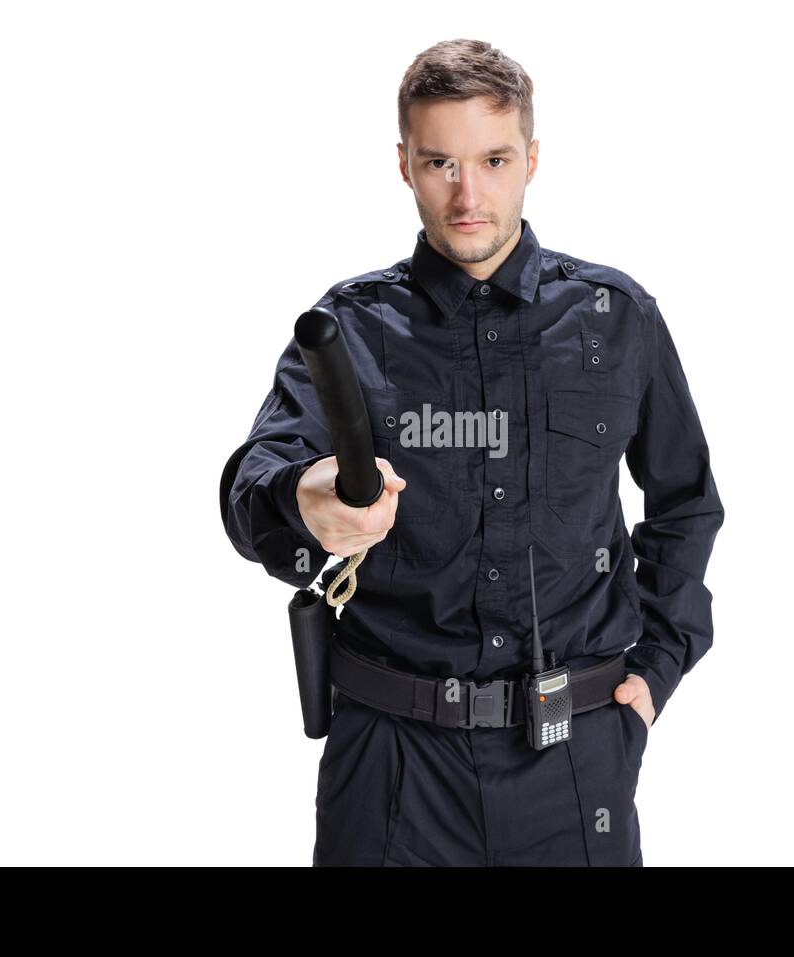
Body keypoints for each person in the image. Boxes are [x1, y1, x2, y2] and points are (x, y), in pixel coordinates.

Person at [220, 39, 724, 866]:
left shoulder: (615, 316)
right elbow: (253, 489)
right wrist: (302, 499)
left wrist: (654, 676)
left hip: (575, 757)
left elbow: (687, 503)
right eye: (439, 163)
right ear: (404, 164)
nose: (467, 194)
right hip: (390, 767)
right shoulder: (348, 328)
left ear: (531, 157)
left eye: (492, 159)